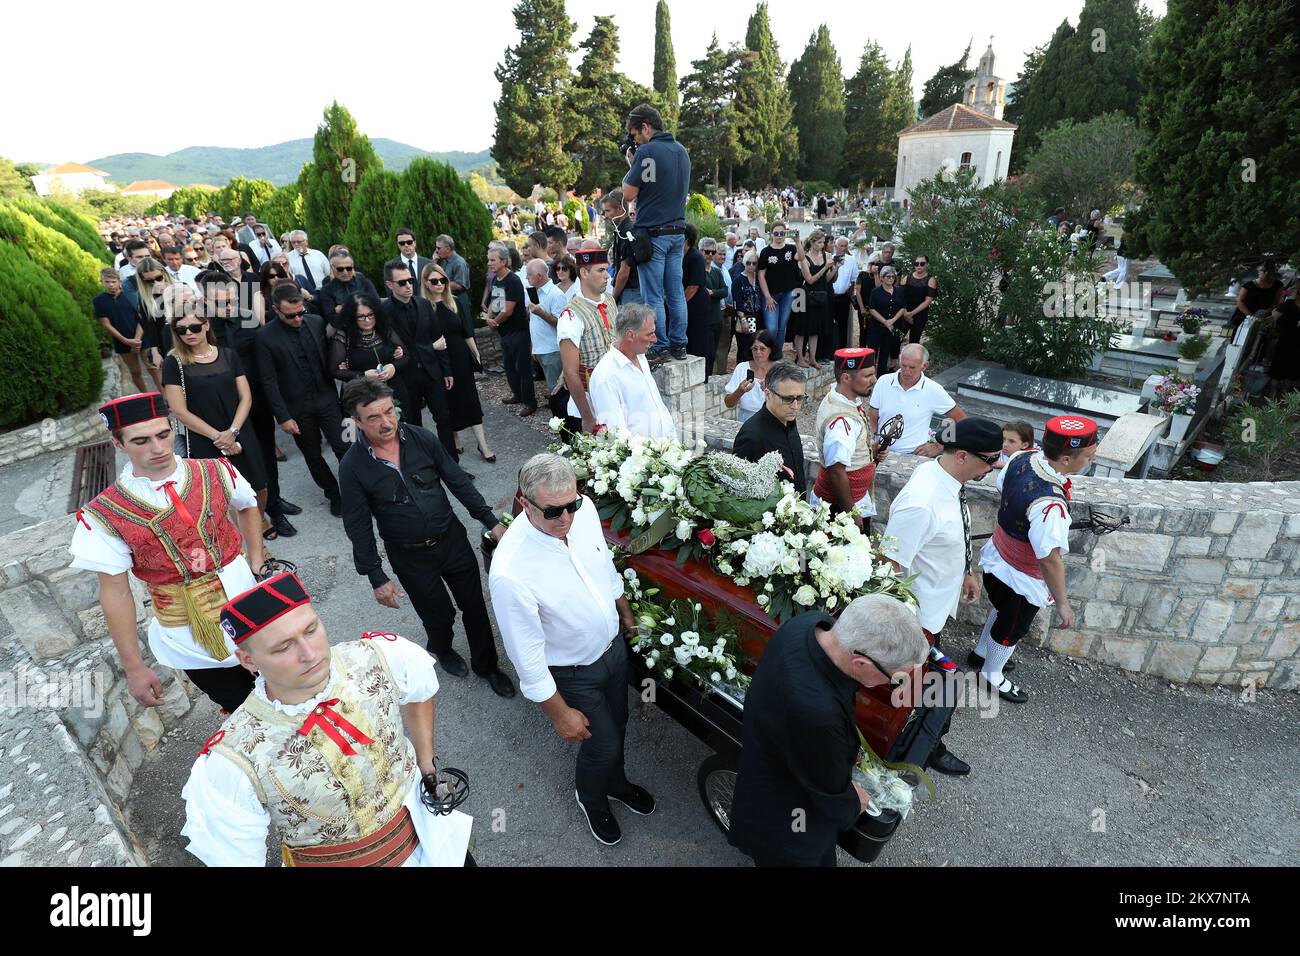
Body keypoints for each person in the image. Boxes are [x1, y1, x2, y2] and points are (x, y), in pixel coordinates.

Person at [181, 572, 473, 867]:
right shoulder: (232, 759)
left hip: (436, 843)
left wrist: (426, 762)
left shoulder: (376, 655)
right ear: (249, 660)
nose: (309, 654)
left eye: (311, 630)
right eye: (284, 647)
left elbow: (419, 687)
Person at [489, 453, 654, 846]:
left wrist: (626, 615)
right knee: (602, 743)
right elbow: (526, 658)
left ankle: (616, 784)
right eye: (553, 511)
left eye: (571, 505)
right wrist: (560, 715)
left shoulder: (584, 510)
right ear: (525, 503)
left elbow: (604, 566)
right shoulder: (511, 572)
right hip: (573, 672)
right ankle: (591, 798)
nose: (565, 518)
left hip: (612, 651)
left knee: (619, 723)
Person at [68, 393, 266, 712]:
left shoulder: (216, 469)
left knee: (294, 690)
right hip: (189, 634)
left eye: (163, 434)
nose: (158, 448)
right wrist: (134, 667)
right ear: (119, 444)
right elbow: (115, 592)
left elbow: (247, 505)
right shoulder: (103, 514)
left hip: (251, 608)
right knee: (245, 711)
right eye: (141, 441)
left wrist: (256, 557)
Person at [338, 380, 515, 697]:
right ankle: (442, 649)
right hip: (409, 557)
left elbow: (457, 481)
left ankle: (487, 666)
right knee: (438, 614)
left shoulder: (421, 438)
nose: (386, 422)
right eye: (374, 417)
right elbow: (358, 525)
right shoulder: (352, 467)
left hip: (452, 540)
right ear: (357, 422)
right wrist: (376, 576)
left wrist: (490, 521)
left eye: (389, 411)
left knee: (474, 605)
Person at [727, 595, 928, 867]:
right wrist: (853, 802)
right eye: (895, 679)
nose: (894, 684)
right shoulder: (819, 715)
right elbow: (828, 794)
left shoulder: (809, 624)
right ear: (861, 663)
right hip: (789, 819)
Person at [882, 416, 1005, 777]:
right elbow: (889, 565)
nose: (993, 468)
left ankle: (927, 742)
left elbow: (952, 529)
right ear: (963, 455)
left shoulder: (948, 478)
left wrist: (966, 571)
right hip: (916, 620)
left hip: (935, 608)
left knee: (929, 689)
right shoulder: (921, 502)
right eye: (990, 460)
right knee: (921, 692)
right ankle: (911, 749)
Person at [975, 416, 1100, 703]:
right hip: (1020, 578)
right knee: (1012, 628)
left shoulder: (1023, 457)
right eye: (1089, 455)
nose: (1092, 458)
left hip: (997, 558)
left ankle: (981, 652)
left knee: (1002, 611)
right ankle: (990, 674)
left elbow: (1003, 487)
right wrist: (1063, 603)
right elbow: (1049, 560)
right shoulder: (1049, 505)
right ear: (1066, 459)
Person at [161, 308, 272, 535]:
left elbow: (246, 397)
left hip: (240, 430)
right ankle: (254, 541)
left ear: (206, 325)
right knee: (229, 493)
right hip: (204, 437)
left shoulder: (228, 355)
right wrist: (220, 438)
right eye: (181, 330)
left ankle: (258, 521)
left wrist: (233, 432)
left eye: (194, 327)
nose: (189, 333)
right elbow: (179, 411)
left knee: (260, 487)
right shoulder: (174, 362)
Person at [255, 284, 350, 516]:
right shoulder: (264, 337)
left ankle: (354, 489)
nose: (298, 318)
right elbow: (268, 381)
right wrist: (283, 417)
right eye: (291, 315)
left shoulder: (316, 322)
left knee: (344, 446)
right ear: (276, 310)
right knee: (313, 454)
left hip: (326, 398)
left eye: (301, 312)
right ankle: (333, 493)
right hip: (296, 407)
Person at [621, 103, 691, 362]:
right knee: (675, 292)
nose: (635, 141)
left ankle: (659, 344)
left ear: (646, 127)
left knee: (653, 295)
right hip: (678, 231)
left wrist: (632, 163)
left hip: (654, 234)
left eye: (635, 134)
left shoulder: (647, 151)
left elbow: (629, 193)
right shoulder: (681, 151)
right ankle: (679, 344)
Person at [379, 260, 456, 454]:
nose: (408, 285)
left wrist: (447, 371)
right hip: (405, 377)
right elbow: (387, 349)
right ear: (389, 285)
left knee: (444, 419)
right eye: (402, 282)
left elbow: (439, 339)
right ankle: (424, 464)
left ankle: (451, 462)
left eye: (410, 280)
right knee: (413, 425)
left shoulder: (423, 304)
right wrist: (430, 348)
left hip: (432, 372)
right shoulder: (384, 313)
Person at [421, 262, 494, 463]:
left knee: (471, 400)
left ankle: (483, 444)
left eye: (443, 280)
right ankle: (454, 437)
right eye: (434, 281)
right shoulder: (423, 307)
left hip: (460, 358)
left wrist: (476, 353)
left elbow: (466, 332)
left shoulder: (454, 302)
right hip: (439, 361)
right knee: (448, 401)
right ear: (426, 283)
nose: (439, 284)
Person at [811, 348, 884, 531]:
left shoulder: (840, 398)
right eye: (867, 375)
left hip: (852, 501)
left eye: (873, 374)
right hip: (841, 509)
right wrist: (852, 515)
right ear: (846, 378)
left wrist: (869, 451)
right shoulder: (841, 423)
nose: (874, 380)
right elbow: (836, 471)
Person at [588, 304, 677, 440]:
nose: (655, 339)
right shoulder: (605, 377)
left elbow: (659, 407)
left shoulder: (641, 357)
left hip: (664, 447)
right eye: (650, 334)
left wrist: (673, 441)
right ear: (630, 335)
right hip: (643, 453)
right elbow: (615, 434)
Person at [555, 248, 619, 434]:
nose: (607, 275)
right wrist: (587, 416)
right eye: (601, 270)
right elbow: (570, 372)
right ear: (584, 273)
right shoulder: (571, 315)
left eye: (607, 269)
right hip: (592, 397)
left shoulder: (609, 299)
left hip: (616, 388)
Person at [868, 344, 967, 457]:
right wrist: (871, 442)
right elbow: (872, 417)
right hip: (879, 452)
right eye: (903, 365)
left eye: (912, 367)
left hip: (912, 455)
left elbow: (961, 419)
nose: (906, 371)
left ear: (924, 366)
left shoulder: (933, 390)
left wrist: (939, 446)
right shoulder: (883, 382)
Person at [732, 360, 808, 494]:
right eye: (787, 399)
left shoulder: (788, 419)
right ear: (768, 394)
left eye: (800, 398)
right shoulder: (752, 437)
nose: (795, 406)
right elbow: (738, 490)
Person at [485, 242, 536, 417]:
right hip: (504, 332)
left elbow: (507, 310)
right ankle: (517, 395)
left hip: (517, 331)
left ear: (504, 261)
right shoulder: (496, 279)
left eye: (493, 260)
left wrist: (494, 322)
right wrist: (489, 318)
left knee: (523, 368)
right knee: (509, 366)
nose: (489, 263)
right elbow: (494, 302)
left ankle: (530, 402)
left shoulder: (513, 280)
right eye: (489, 260)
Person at [331, 291, 408, 392]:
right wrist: (363, 375)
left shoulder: (384, 329)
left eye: (371, 314)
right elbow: (335, 371)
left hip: (394, 388)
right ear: (352, 317)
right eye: (360, 316)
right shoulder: (344, 336)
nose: (367, 320)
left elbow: (406, 355)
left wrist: (393, 366)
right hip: (364, 393)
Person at [94, 268, 148, 393]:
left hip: (143, 337)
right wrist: (126, 341)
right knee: (135, 372)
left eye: (113, 281)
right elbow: (106, 324)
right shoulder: (98, 301)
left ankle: (164, 396)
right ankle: (147, 396)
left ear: (119, 281)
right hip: (122, 341)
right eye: (107, 282)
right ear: (102, 281)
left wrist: (136, 340)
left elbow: (142, 317)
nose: (111, 285)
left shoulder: (131, 294)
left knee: (154, 367)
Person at [524, 258, 567, 401]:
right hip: (541, 348)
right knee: (551, 386)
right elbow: (535, 323)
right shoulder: (534, 292)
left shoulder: (556, 294)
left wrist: (540, 313)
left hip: (552, 349)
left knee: (557, 390)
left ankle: (560, 414)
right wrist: (534, 347)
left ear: (539, 276)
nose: (527, 277)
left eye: (529, 274)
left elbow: (561, 323)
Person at [757, 220, 802, 353]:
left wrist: (798, 241)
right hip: (770, 294)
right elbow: (761, 275)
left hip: (788, 293)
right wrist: (767, 297)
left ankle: (777, 354)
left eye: (782, 233)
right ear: (771, 234)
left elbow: (801, 257)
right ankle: (769, 354)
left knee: (782, 326)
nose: (779, 236)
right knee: (772, 328)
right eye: (776, 233)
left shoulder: (791, 249)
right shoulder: (765, 252)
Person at [794, 230, 837, 369]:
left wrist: (836, 268)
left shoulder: (827, 255)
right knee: (802, 328)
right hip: (804, 295)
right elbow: (810, 279)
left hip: (821, 295)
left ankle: (812, 358)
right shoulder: (804, 258)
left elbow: (827, 279)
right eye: (819, 242)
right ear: (812, 242)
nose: (822, 245)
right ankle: (800, 358)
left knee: (816, 328)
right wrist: (825, 267)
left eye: (823, 242)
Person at [723, 330, 781, 424]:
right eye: (754, 348)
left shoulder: (780, 370)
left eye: (762, 349)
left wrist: (770, 392)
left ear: (771, 349)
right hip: (746, 420)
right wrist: (740, 391)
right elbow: (728, 403)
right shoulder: (742, 368)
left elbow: (787, 403)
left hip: (773, 419)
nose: (758, 352)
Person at [132, 258, 172, 388]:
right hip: (165, 342)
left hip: (187, 335)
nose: (155, 283)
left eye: (158, 278)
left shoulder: (180, 287)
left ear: (164, 273)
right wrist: (155, 352)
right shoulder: (144, 298)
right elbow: (149, 328)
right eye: (149, 280)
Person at [862, 265, 908, 375]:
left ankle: (881, 376)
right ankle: (869, 376)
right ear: (882, 278)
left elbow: (902, 308)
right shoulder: (875, 292)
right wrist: (885, 321)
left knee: (885, 353)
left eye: (893, 276)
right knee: (872, 354)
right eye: (888, 276)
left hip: (891, 328)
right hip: (876, 328)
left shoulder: (900, 291)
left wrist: (892, 321)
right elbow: (872, 309)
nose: (891, 279)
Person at [682, 223, 714, 374]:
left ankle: (702, 375)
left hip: (697, 306)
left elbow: (693, 287)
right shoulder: (681, 256)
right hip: (689, 306)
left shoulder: (695, 257)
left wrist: (679, 305)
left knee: (698, 343)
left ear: (685, 238)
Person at [602, 189, 641, 306]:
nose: (605, 216)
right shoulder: (623, 229)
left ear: (619, 209)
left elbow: (624, 271)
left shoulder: (626, 231)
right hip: (631, 290)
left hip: (632, 291)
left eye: (608, 211)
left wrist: (614, 297)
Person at [317, 251, 380, 319]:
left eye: (349, 268)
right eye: (340, 269)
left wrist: (344, 307)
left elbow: (376, 304)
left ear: (353, 267)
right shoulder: (326, 290)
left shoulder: (364, 282)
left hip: (370, 320)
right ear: (332, 268)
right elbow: (331, 316)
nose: (345, 272)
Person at [1230, 260, 1283, 337]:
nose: (1258, 273)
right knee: (1239, 337)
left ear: (1267, 273)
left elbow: (1276, 302)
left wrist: (1267, 312)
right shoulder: (1249, 285)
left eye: (1260, 271)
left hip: (1263, 317)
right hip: (1244, 315)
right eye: (1259, 271)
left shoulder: (1278, 285)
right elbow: (1239, 301)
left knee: (1258, 337)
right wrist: (1250, 316)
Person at [829, 236, 860, 355]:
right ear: (836, 246)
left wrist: (850, 294)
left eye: (845, 246)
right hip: (831, 296)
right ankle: (829, 350)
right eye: (841, 246)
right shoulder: (830, 258)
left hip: (844, 296)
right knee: (829, 323)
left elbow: (854, 279)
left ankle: (841, 350)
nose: (843, 248)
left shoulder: (851, 260)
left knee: (843, 324)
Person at [434, 234, 472, 318]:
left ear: (448, 248)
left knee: (463, 324)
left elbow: (460, 285)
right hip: (449, 298)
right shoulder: (445, 261)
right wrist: (434, 261)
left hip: (459, 299)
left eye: (438, 248)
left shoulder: (459, 262)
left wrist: (439, 284)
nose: (436, 251)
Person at [902, 255, 937, 344]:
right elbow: (900, 296)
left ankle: (912, 354)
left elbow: (928, 301)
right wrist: (905, 313)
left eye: (922, 263)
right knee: (896, 338)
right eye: (916, 263)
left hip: (920, 314)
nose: (919, 266)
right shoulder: (907, 278)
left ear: (927, 264)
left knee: (914, 341)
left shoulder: (931, 280)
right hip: (903, 312)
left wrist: (911, 314)